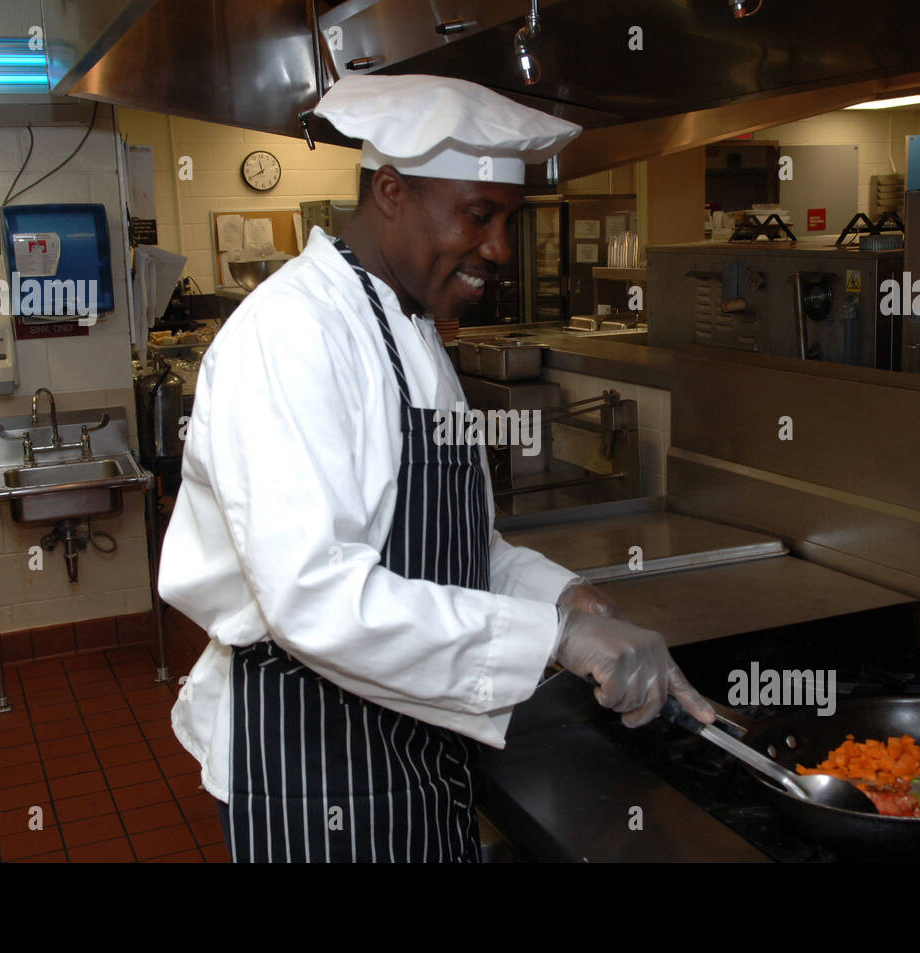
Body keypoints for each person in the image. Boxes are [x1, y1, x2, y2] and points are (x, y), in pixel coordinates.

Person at [157, 74, 714, 863]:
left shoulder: (414, 331)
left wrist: (562, 596)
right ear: (391, 191)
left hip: (418, 744)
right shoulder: (292, 333)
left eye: (508, 220)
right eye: (479, 215)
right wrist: (553, 635)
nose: (499, 248)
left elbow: (455, 549)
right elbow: (314, 597)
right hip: (315, 766)